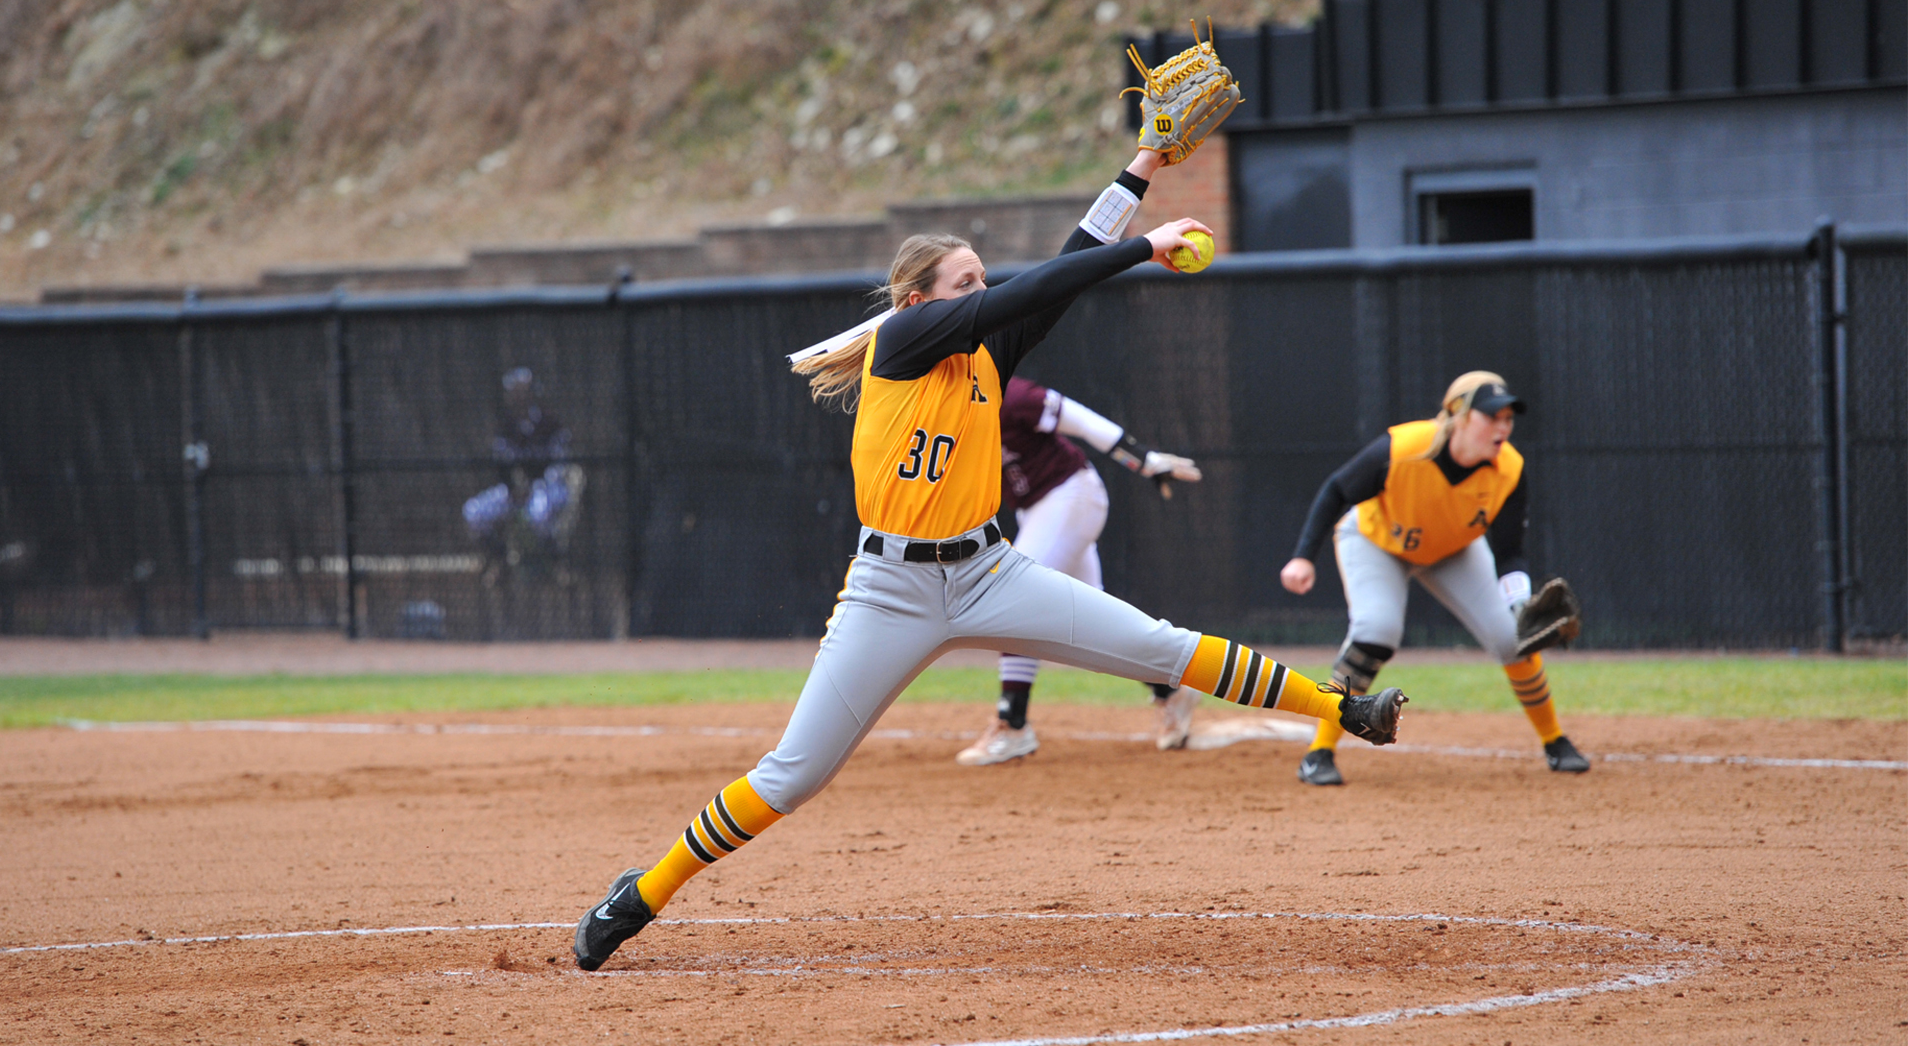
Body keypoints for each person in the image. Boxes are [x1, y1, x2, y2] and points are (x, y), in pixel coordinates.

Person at [568, 149, 1408, 971]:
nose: (982, 291)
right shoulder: (902, 341)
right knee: (791, 777)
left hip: (988, 573)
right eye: (965, 281)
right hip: (890, 590)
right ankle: (641, 893)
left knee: (1161, 645)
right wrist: (1145, 248)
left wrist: (1142, 168)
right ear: (916, 299)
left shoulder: (984, 356)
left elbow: (1063, 268)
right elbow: (1044, 283)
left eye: (981, 278)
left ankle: (1343, 711)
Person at [1279, 371, 1590, 787]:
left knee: (1513, 637)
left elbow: (1510, 551)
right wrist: (1303, 557)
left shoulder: (1509, 470)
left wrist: (1520, 604)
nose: (1503, 427)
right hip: (1377, 540)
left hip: (1452, 549)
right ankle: (1319, 751)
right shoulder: (1405, 448)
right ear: (1458, 416)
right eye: (1491, 416)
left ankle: (1555, 740)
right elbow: (1336, 490)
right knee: (1377, 630)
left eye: (1508, 418)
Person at [957, 376, 1204, 764]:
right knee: (1100, 627)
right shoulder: (943, 405)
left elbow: (1083, 421)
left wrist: (1143, 461)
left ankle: (1013, 723)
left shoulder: (1011, 394)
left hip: (1069, 495)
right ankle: (1169, 690)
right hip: (1038, 509)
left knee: (1011, 596)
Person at [462, 368, 581, 566]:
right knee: (473, 512)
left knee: (538, 514)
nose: (516, 396)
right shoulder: (507, 425)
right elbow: (502, 464)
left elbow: (561, 463)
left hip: (547, 487)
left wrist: (537, 485)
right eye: (512, 391)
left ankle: (555, 563)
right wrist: (513, 487)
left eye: (521, 390)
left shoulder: (549, 423)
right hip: (516, 491)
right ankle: (501, 560)